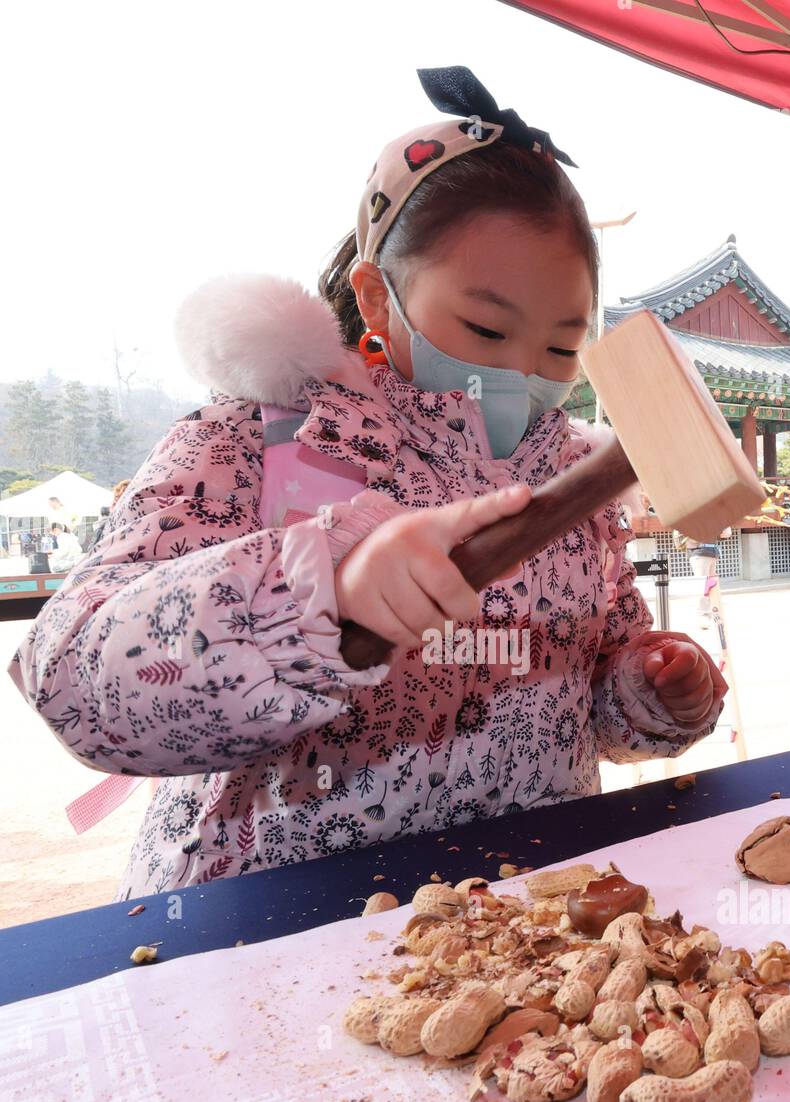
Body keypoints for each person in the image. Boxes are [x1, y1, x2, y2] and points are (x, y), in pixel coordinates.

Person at [9, 66, 727, 899]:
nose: (523, 369)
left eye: (563, 348)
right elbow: (73, 678)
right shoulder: (262, 436)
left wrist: (647, 687)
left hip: (518, 918)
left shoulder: (579, 484)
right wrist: (314, 595)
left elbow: (592, 691)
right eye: (486, 327)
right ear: (377, 300)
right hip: (270, 920)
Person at [674, 528, 732, 629]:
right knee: (703, 587)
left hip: (711, 551)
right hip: (699, 551)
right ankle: (703, 615)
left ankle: (710, 614)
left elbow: (723, 534)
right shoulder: (691, 515)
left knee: (710, 587)